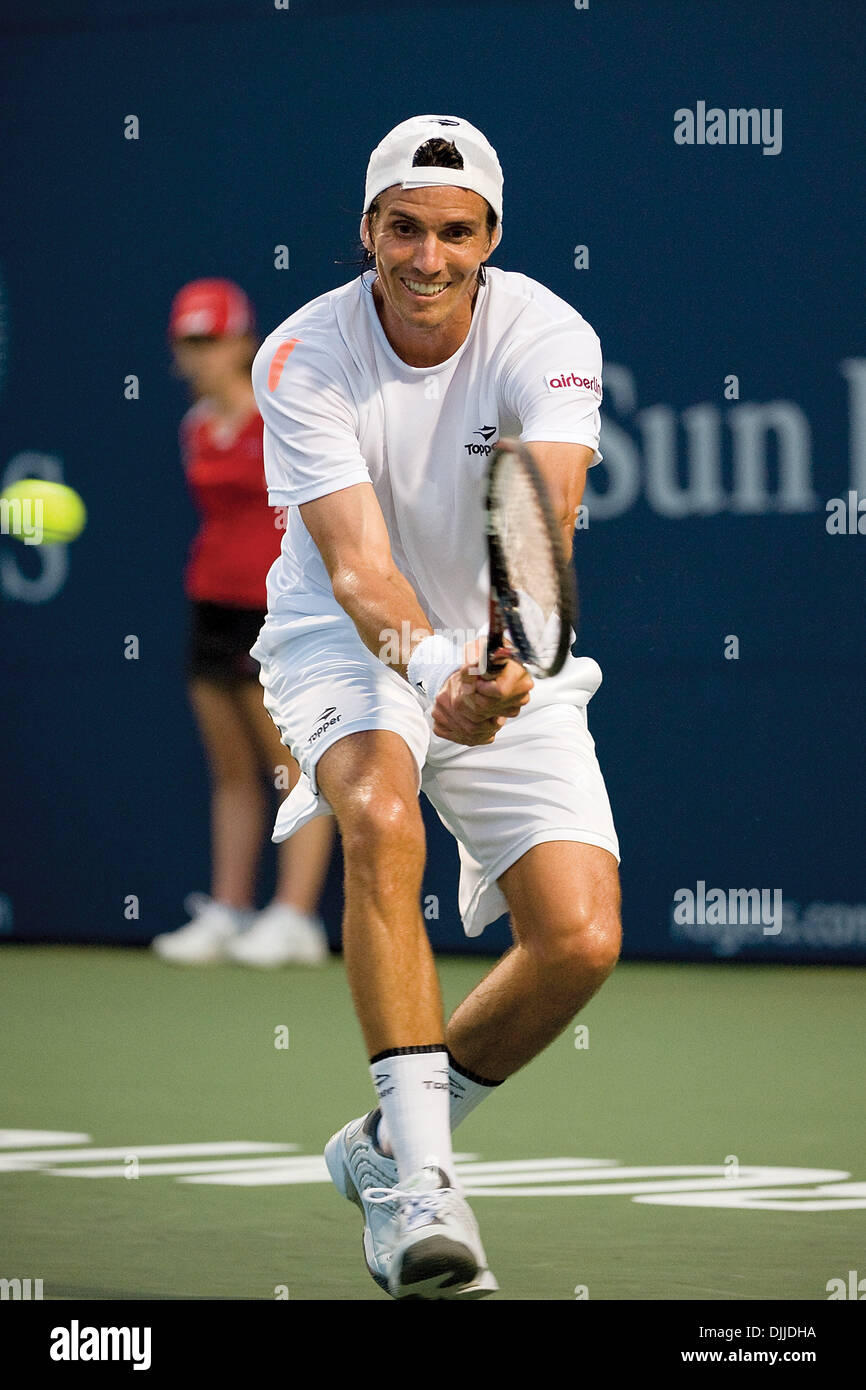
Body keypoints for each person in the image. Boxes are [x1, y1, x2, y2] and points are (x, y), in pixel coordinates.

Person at [249, 116, 622, 1299]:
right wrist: (428, 671)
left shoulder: (550, 335)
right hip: (344, 641)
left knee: (578, 940)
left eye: (455, 232)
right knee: (377, 810)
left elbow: (541, 517)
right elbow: (358, 567)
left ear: (490, 238)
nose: (427, 257)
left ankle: (379, 1143)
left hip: (490, 631)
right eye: (403, 228)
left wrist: (502, 659)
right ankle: (420, 1186)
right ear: (366, 228)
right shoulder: (300, 354)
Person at [150, 278, 335, 967]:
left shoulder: (280, 416)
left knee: (292, 769)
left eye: (211, 340)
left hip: (275, 614)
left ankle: (295, 916)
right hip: (210, 605)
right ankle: (229, 909)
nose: (199, 355)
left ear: (242, 343)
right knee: (229, 769)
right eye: (188, 342)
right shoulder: (196, 425)